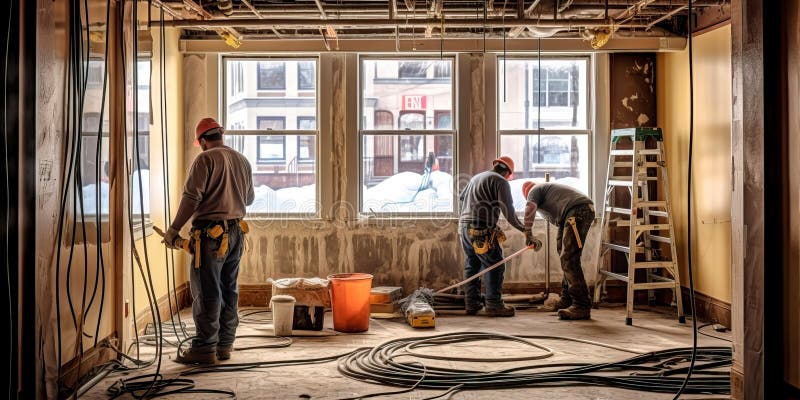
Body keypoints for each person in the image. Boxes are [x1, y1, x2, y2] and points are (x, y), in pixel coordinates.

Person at [163, 117, 255, 364]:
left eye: (200, 143)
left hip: (210, 236)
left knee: (207, 291)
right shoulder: (242, 160)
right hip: (236, 233)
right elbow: (249, 199)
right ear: (220, 135)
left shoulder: (205, 159)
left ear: (203, 141)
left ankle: (204, 350)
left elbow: (191, 198)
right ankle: (224, 345)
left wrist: (173, 230)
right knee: (229, 288)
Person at [458, 156, 526, 317]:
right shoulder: (500, 181)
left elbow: (461, 198)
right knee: (495, 265)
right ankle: (494, 305)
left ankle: (472, 304)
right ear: (508, 172)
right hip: (481, 228)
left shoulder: (477, 177)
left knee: (472, 265)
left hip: (464, 227)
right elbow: (508, 211)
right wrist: (525, 230)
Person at [522, 181, 594, 320]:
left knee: (569, 258)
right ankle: (567, 299)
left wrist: (528, 233)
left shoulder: (534, 190)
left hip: (577, 210)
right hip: (571, 214)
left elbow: (529, 207)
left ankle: (581, 305)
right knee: (564, 256)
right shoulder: (548, 193)